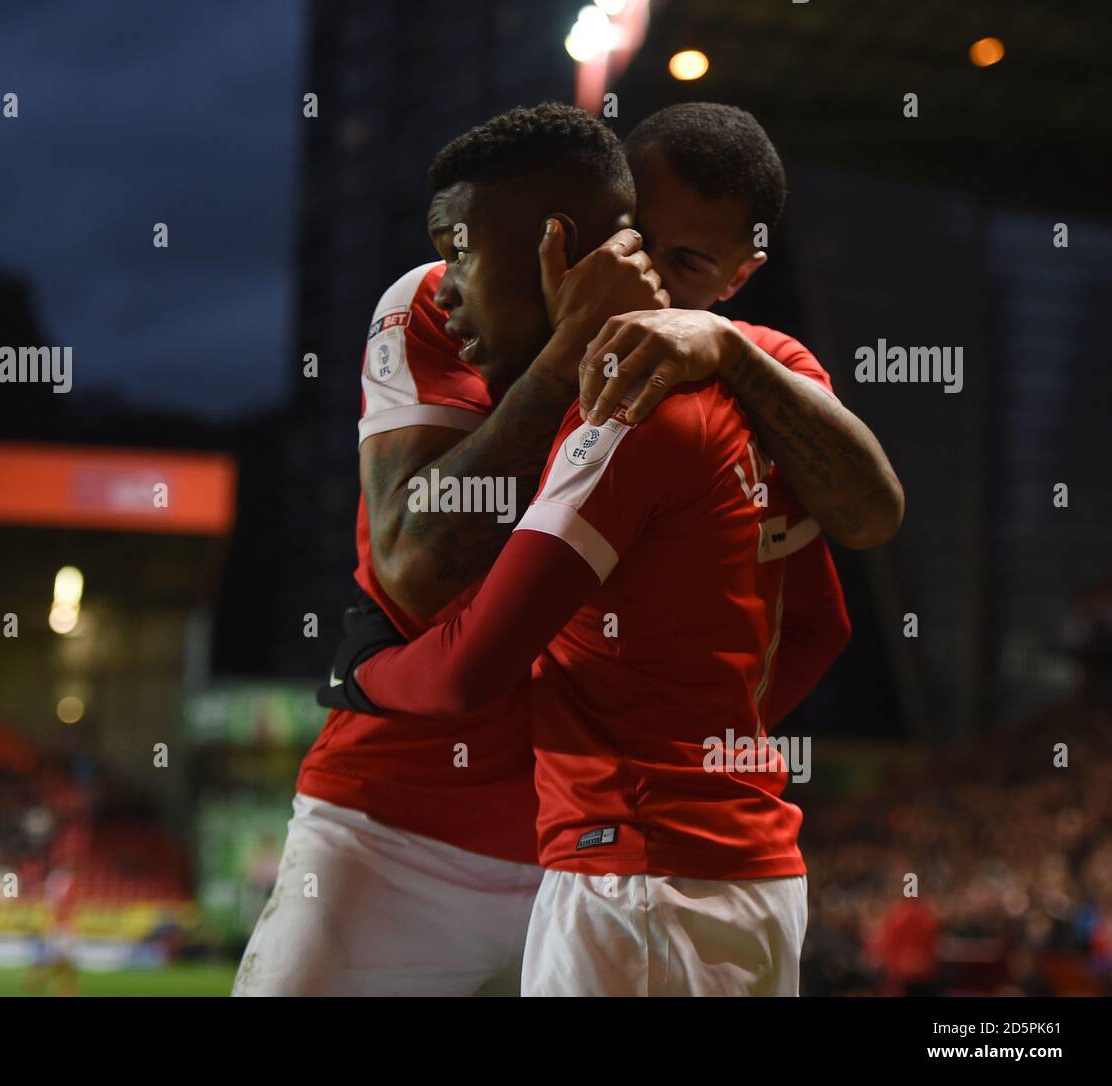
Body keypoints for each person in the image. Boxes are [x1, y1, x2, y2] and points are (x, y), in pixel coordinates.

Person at [235, 103, 879, 996]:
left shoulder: (727, 376)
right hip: (397, 826)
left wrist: (654, 749)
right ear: (575, 239)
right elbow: (415, 568)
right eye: (631, 242)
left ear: (737, 276)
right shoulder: (436, 303)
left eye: (679, 262)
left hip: (594, 853)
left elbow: (855, 542)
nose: (644, 277)